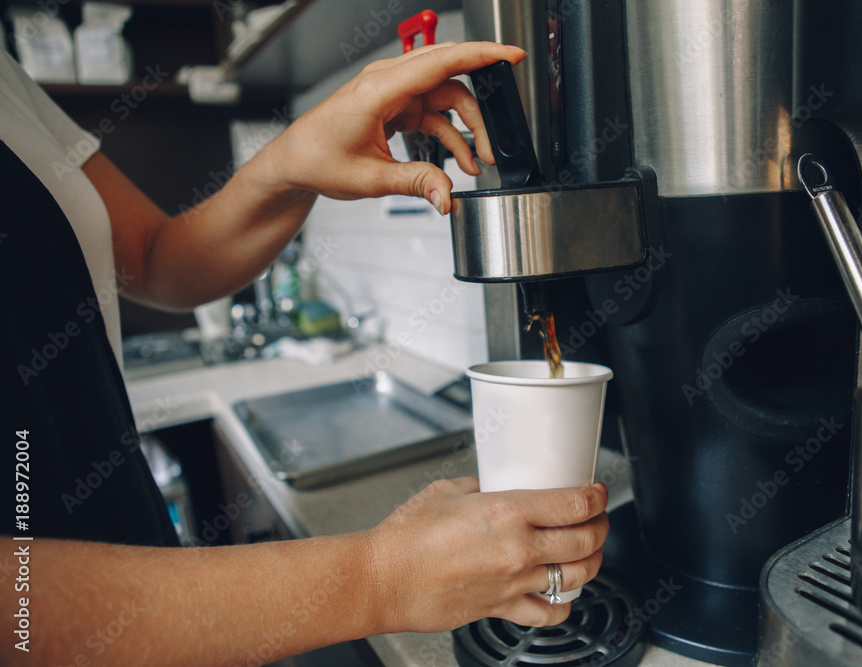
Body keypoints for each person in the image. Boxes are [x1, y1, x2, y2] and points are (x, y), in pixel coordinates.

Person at [0, 41, 609, 665]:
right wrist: (380, 578)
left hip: (133, 540)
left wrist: (292, 160)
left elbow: (158, 256)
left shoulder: (9, 81)